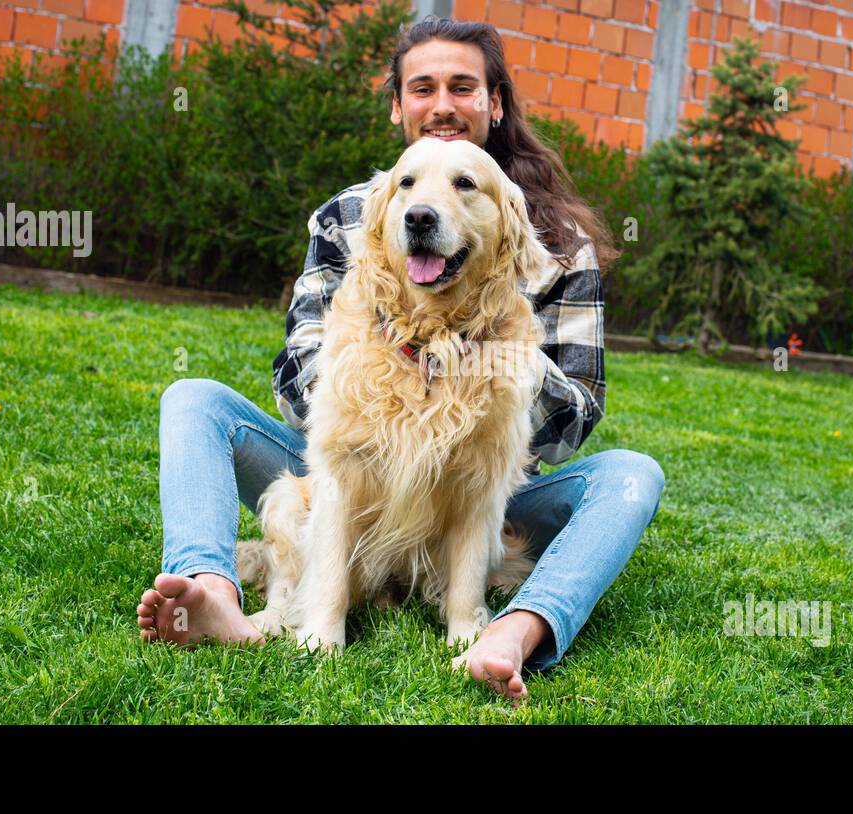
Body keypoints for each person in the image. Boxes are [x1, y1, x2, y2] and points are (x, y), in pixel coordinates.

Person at [136, 16, 664, 704]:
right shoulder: (350, 215)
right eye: (422, 88)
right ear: (398, 105)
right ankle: (211, 595)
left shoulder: (556, 242)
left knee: (632, 474)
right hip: (347, 478)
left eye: (462, 86)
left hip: (493, 492)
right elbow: (297, 390)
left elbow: (575, 423)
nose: (441, 103)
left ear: (494, 102)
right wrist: (388, 350)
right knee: (194, 399)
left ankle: (515, 632)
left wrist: (504, 360)